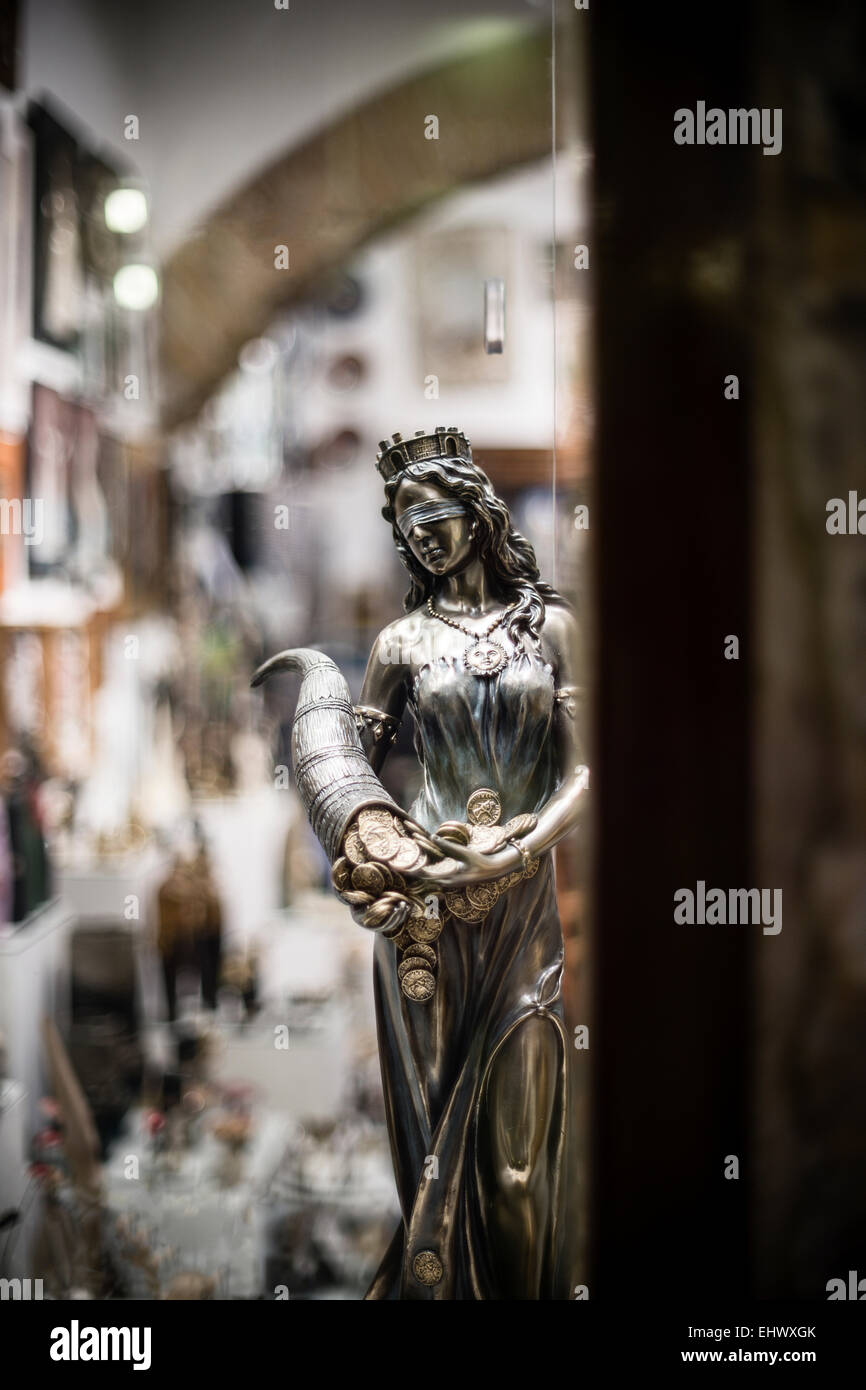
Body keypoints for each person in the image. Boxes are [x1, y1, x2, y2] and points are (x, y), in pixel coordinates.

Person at [352, 428, 587, 1300]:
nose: (422, 539)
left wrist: (521, 846)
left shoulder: (553, 627)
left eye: (435, 517)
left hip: (524, 915)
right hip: (426, 920)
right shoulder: (400, 644)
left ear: (478, 514)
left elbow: (588, 769)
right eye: (406, 529)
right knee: (427, 1167)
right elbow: (351, 781)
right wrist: (375, 852)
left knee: (518, 1171)